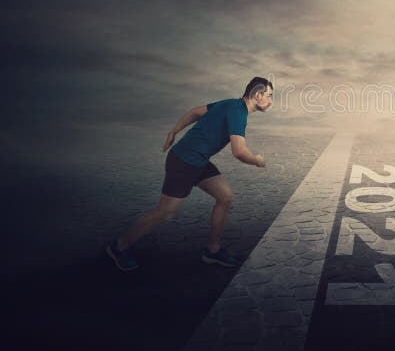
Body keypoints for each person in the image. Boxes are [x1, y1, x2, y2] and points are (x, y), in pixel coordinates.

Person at [106, 77, 273, 271]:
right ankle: (119, 247)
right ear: (258, 94)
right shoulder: (239, 112)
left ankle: (212, 250)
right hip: (183, 162)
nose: (270, 101)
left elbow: (195, 111)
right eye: (269, 96)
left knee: (225, 197)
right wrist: (257, 160)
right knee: (166, 213)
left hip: (199, 161)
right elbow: (239, 151)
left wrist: (174, 131)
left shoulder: (230, 103)